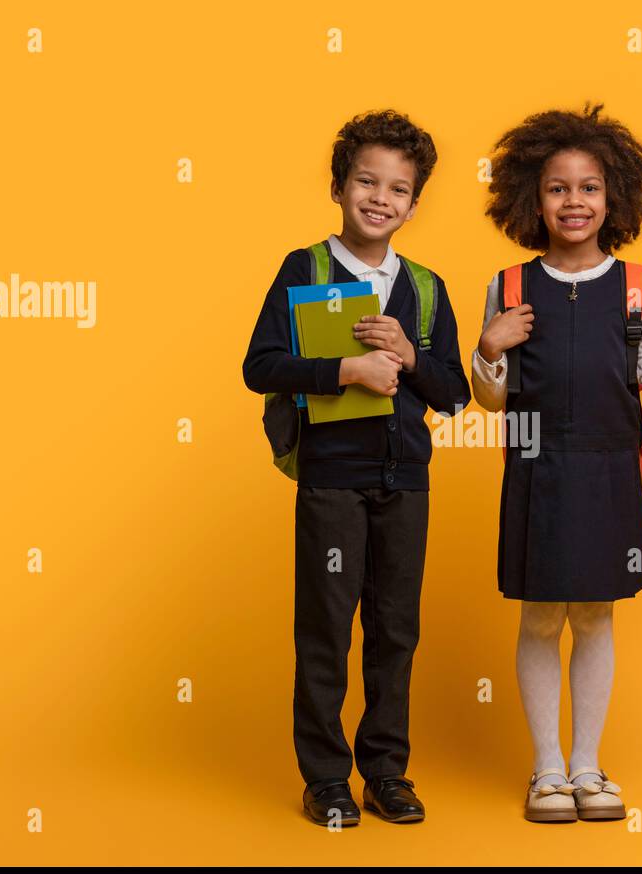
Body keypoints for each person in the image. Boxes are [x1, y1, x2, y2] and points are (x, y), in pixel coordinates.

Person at [471, 103, 642, 822]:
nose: (574, 201)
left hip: (608, 470)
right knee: (539, 618)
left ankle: (589, 769)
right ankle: (547, 773)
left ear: (613, 197)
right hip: (534, 467)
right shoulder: (506, 286)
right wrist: (491, 349)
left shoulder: (637, 286)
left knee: (595, 615)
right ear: (533, 199)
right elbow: (491, 401)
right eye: (559, 187)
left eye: (589, 187)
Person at [242, 109, 470, 827]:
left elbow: (456, 393)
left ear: (414, 202)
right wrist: (344, 368)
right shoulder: (303, 269)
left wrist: (408, 354)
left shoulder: (425, 288)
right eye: (366, 181)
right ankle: (326, 778)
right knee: (327, 628)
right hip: (331, 482)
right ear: (339, 186)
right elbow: (260, 367)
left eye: (398, 188)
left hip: (406, 484)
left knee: (396, 631)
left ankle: (386, 772)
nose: (380, 197)